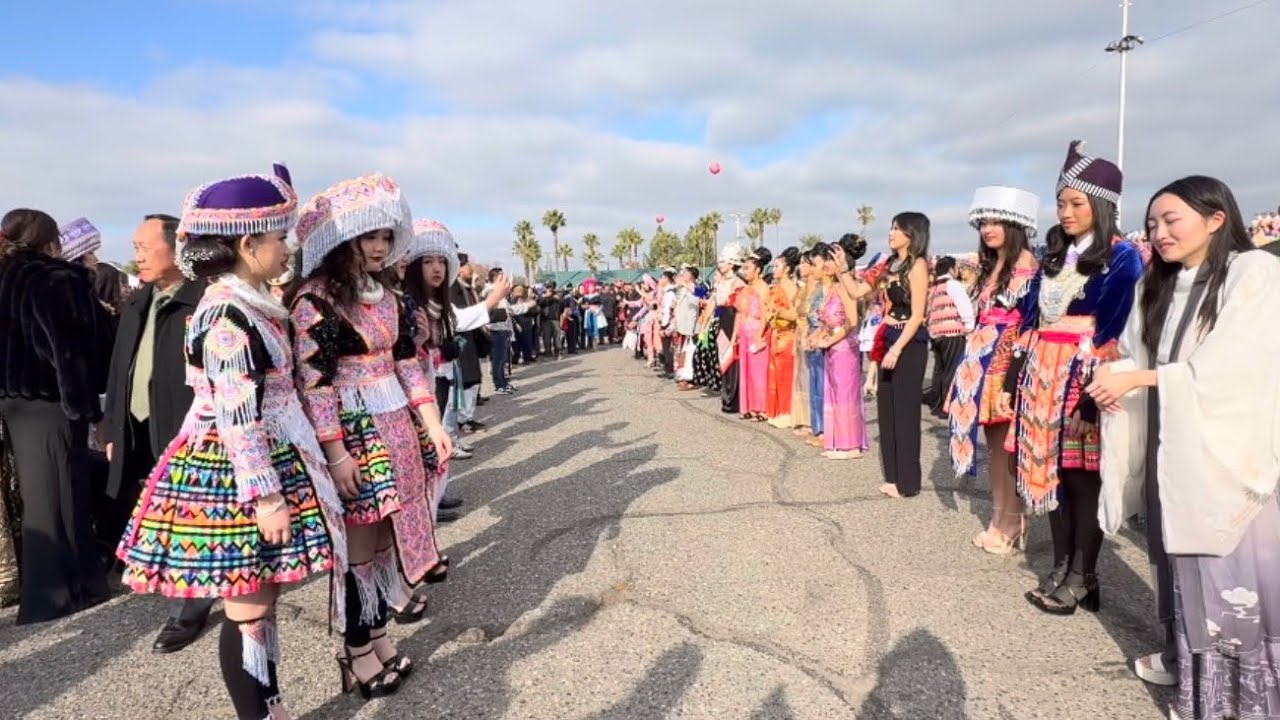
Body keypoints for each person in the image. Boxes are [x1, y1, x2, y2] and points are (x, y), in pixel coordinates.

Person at [116, 169, 347, 718]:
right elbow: (236, 413)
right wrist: (266, 495)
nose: (286, 248)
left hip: (256, 458)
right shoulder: (227, 312)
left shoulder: (248, 302)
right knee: (247, 601)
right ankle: (260, 712)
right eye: (279, 238)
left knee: (257, 601)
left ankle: (269, 706)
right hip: (233, 470)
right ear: (249, 244)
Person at [1089, 175, 1280, 718]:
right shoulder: (1160, 281)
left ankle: (1237, 700)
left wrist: (1143, 382)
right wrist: (1117, 378)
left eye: (1171, 220)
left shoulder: (1254, 271)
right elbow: (1137, 351)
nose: (1159, 233)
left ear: (1216, 217)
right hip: (1169, 445)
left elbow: (1238, 366)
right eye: (1152, 225)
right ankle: (1184, 664)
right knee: (1175, 563)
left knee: (1225, 574)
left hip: (1221, 454)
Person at [288, 173, 452, 697]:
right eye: (369, 237)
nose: (380, 246)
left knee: (386, 539)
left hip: (397, 425)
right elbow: (315, 384)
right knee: (359, 544)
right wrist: (336, 454)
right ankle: (356, 649)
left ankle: (378, 634)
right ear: (344, 242)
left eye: (385, 236)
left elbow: (408, 364)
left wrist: (431, 426)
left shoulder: (389, 297)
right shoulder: (315, 301)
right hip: (353, 433)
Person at [1005, 140, 1144, 614]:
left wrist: (1089, 400)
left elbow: (1118, 330)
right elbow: (1029, 319)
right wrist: (1015, 378)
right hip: (1043, 378)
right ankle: (1064, 565)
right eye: (1061, 202)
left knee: (1085, 480)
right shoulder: (1053, 254)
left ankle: (1083, 574)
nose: (1065, 212)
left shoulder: (1122, 257)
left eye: (1076, 203)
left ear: (1100, 205)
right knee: (1057, 477)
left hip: (1084, 379)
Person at [101, 212, 216, 651]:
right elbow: (118, 369)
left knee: (194, 511)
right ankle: (170, 575)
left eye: (144, 248)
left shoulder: (202, 300)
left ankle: (189, 608)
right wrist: (112, 425)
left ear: (177, 249)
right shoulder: (138, 302)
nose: (138, 258)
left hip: (186, 427)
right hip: (138, 424)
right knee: (155, 508)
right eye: (135, 249)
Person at [0, 208, 112, 624]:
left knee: (42, 496)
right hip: (51, 400)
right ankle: (62, 592)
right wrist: (84, 405)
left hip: (13, 401)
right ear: (51, 242)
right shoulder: (53, 279)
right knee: (64, 492)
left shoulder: (6, 276)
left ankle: (66, 586)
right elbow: (66, 352)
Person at [947, 186, 1040, 555]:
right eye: (984, 221)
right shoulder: (992, 265)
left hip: (1004, 366)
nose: (988, 228)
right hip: (980, 365)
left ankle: (1011, 518)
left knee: (1006, 446)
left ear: (1015, 225)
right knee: (995, 449)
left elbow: (1027, 321)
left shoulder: (1027, 265)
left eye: (997, 221)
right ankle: (1003, 515)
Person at [832, 218, 931, 497]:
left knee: (906, 412)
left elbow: (917, 315)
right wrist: (842, 269)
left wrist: (897, 348)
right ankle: (894, 477)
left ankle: (908, 482)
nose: (891, 234)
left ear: (912, 235)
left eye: (897, 229)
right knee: (887, 411)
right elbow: (857, 291)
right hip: (887, 337)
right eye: (891, 228)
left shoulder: (918, 265)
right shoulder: (888, 265)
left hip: (909, 343)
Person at [809, 242, 869, 460]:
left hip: (845, 348)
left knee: (845, 395)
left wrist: (830, 340)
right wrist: (817, 336)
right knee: (833, 394)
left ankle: (851, 445)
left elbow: (852, 321)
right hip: (832, 348)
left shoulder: (845, 287)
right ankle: (837, 441)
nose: (825, 264)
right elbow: (828, 321)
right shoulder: (833, 288)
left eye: (830, 260)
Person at [923, 255, 975, 418]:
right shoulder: (953, 284)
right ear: (952, 269)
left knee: (939, 370)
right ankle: (947, 405)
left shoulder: (933, 287)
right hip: (952, 332)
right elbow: (964, 306)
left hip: (936, 334)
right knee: (951, 370)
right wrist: (969, 327)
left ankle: (937, 404)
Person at [734, 248, 772, 420]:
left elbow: (766, 313)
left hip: (757, 330)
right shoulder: (746, 288)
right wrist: (736, 332)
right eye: (744, 268)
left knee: (758, 371)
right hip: (745, 330)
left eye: (748, 268)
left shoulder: (763, 288)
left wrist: (760, 334)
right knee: (747, 371)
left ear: (758, 270)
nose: (745, 271)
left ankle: (761, 407)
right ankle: (748, 406)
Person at [765, 247, 800, 426]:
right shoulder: (776, 287)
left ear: (787, 269)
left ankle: (786, 413)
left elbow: (795, 314)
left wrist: (777, 312)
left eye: (777, 266)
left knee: (785, 376)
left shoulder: (792, 288)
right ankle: (776, 411)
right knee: (775, 375)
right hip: (776, 334)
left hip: (787, 336)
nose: (774, 269)